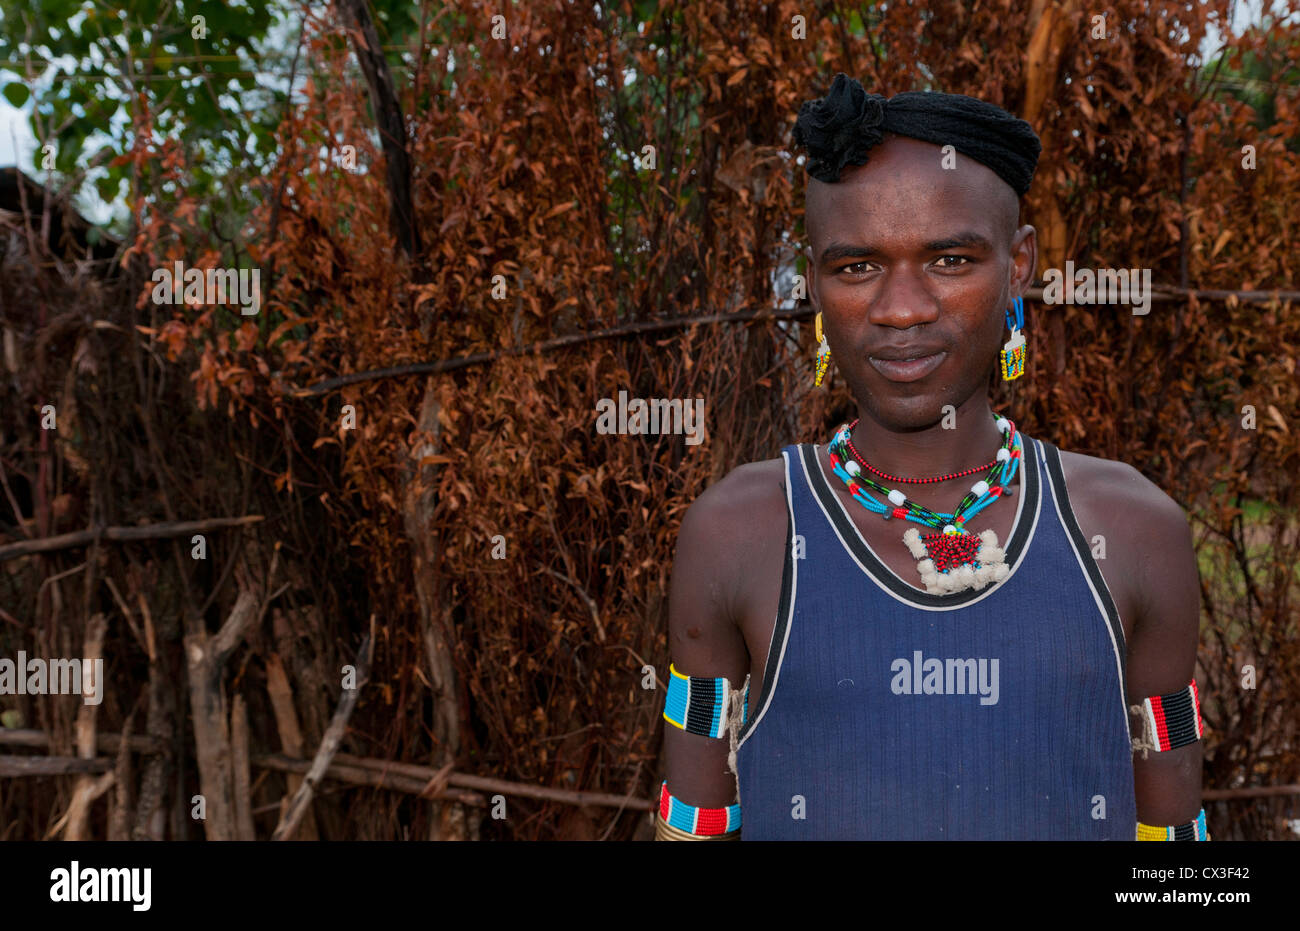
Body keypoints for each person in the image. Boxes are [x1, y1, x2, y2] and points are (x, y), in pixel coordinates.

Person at [656, 73, 1206, 841]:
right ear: (813, 280)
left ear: (1019, 264)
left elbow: (1176, 855)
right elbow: (693, 827)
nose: (902, 307)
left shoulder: (1135, 530)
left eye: (950, 260)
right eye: (857, 266)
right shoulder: (738, 533)